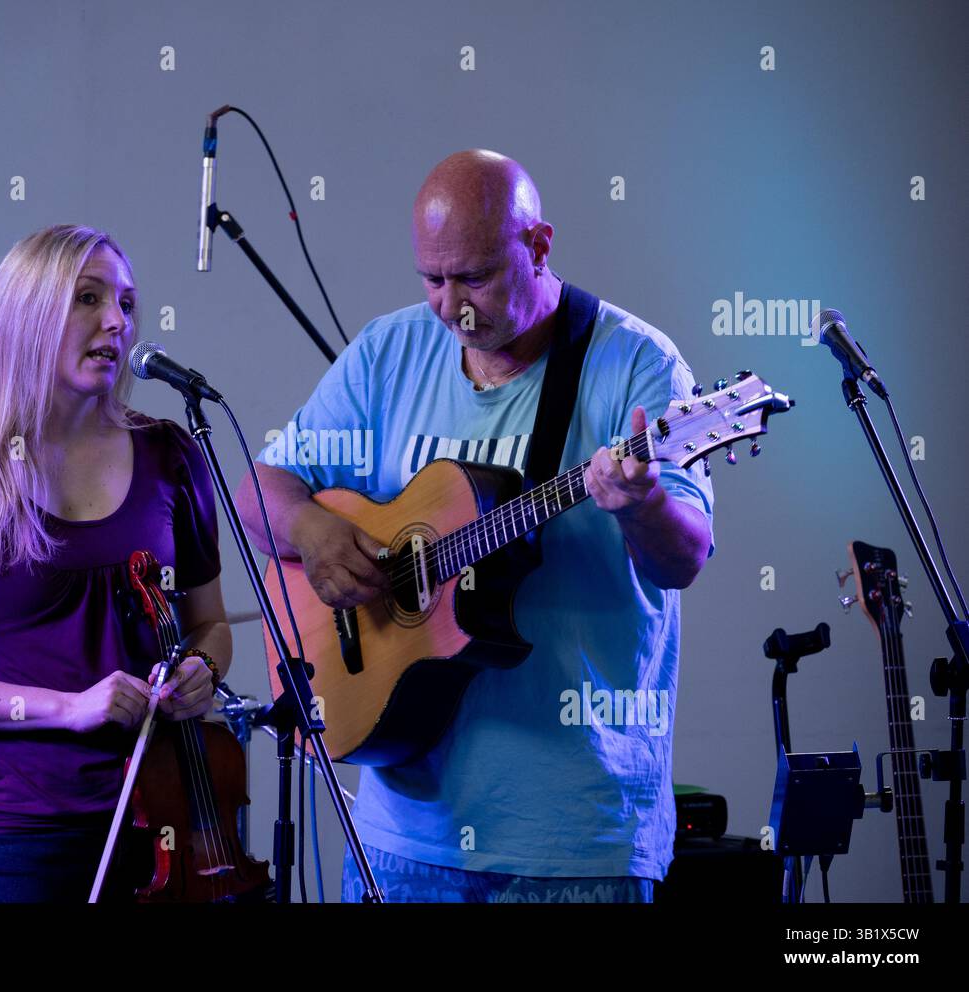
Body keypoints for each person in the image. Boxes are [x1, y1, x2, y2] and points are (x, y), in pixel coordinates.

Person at [235, 150, 715, 903]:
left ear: (539, 245)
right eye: (433, 279)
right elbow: (259, 488)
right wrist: (312, 532)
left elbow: (684, 558)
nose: (452, 305)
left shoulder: (636, 364)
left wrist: (643, 503)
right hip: (404, 839)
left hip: (573, 845)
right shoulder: (389, 351)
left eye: (477, 277)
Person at [0, 224, 230, 902]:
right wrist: (66, 708)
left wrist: (203, 670)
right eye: (88, 299)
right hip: (26, 831)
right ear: (26, 316)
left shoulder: (171, 456)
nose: (116, 322)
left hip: (167, 812)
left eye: (126, 303)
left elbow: (211, 624)